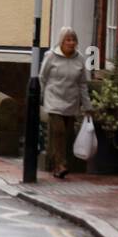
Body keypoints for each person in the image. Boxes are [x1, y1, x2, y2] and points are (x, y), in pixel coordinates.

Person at [40, 26, 92, 179]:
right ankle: (61, 164)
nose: (71, 43)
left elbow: (83, 84)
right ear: (61, 42)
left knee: (67, 135)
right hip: (54, 99)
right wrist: (39, 97)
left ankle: (56, 164)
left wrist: (88, 106)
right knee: (59, 131)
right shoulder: (51, 56)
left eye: (73, 40)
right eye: (68, 40)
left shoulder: (80, 59)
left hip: (71, 101)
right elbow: (42, 78)